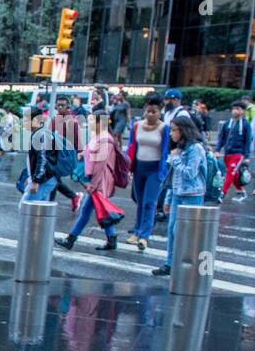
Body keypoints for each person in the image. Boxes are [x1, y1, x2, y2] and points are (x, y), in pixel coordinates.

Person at [152, 114, 209, 277]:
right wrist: (169, 198)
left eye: (174, 130)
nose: (171, 133)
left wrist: (175, 159)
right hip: (177, 193)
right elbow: (173, 177)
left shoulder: (195, 149)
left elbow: (190, 173)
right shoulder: (179, 148)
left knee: (184, 231)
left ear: (183, 130)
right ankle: (169, 263)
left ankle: (188, 264)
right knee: (172, 230)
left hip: (192, 194)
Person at [56, 110, 120, 252]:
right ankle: (111, 238)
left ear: (100, 123)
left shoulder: (105, 139)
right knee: (98, 209)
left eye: (91, 121)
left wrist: (93, 185)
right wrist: (82, 154)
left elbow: (101, 165)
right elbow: (89, 152)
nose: (89, 123)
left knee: (88, 211)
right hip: (95, 181)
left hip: (100, 181)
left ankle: (70, 239)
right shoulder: (98, 137)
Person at [126, 93, 168, 251]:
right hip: (139, 167)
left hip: (155, 169)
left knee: (150, 203)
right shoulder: (137, 125)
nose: (150, 114)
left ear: (160, 112)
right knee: (140, 202)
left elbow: (165, 150)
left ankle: (144, 236)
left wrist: (162, 172)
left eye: (154, 112)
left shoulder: (164, 128)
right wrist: (130, 168)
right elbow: (131, 146)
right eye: (148, 111)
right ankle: (137, 232)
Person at [20, 106, 61, 205]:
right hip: (48, 178)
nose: (24, 123)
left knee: (26, 208)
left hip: (44, 180)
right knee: (40, 211)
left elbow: (42, 159)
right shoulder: (42, 133)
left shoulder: (39, 135)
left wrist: (35, 181)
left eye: (26, 120)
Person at [217, 100, 253, 202]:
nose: (234, 111)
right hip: (227, 153)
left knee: (230, 172)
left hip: (238, 153)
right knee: (233, 174)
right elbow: (221, 138)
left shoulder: (246, 125)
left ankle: (222, 194)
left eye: (238, 109)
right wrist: (218, 150)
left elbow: (247, 141)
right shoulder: (227, 123)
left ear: (243, 111)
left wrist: (246, 157)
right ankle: (241, 191)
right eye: (233, 109)